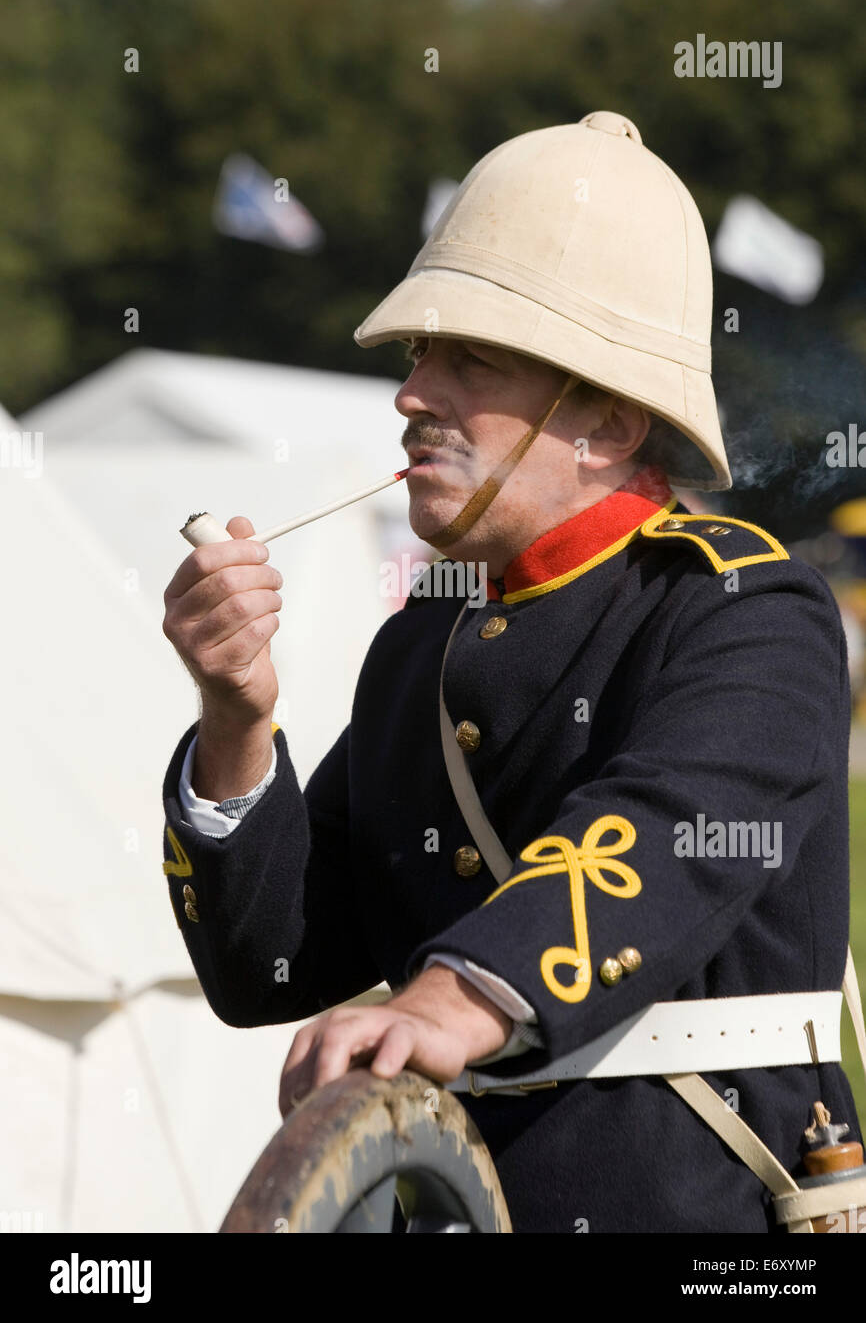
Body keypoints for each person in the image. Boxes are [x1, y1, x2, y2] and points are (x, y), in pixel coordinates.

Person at [161, 111, 862, 1233]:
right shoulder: (422, 646)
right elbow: (271, 968)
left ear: (606, 421)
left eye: (467, 359)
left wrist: (458, 992)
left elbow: (666, 827)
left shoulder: (743, 607)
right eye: (416, 356)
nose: (409, 394)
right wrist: (236, 717)